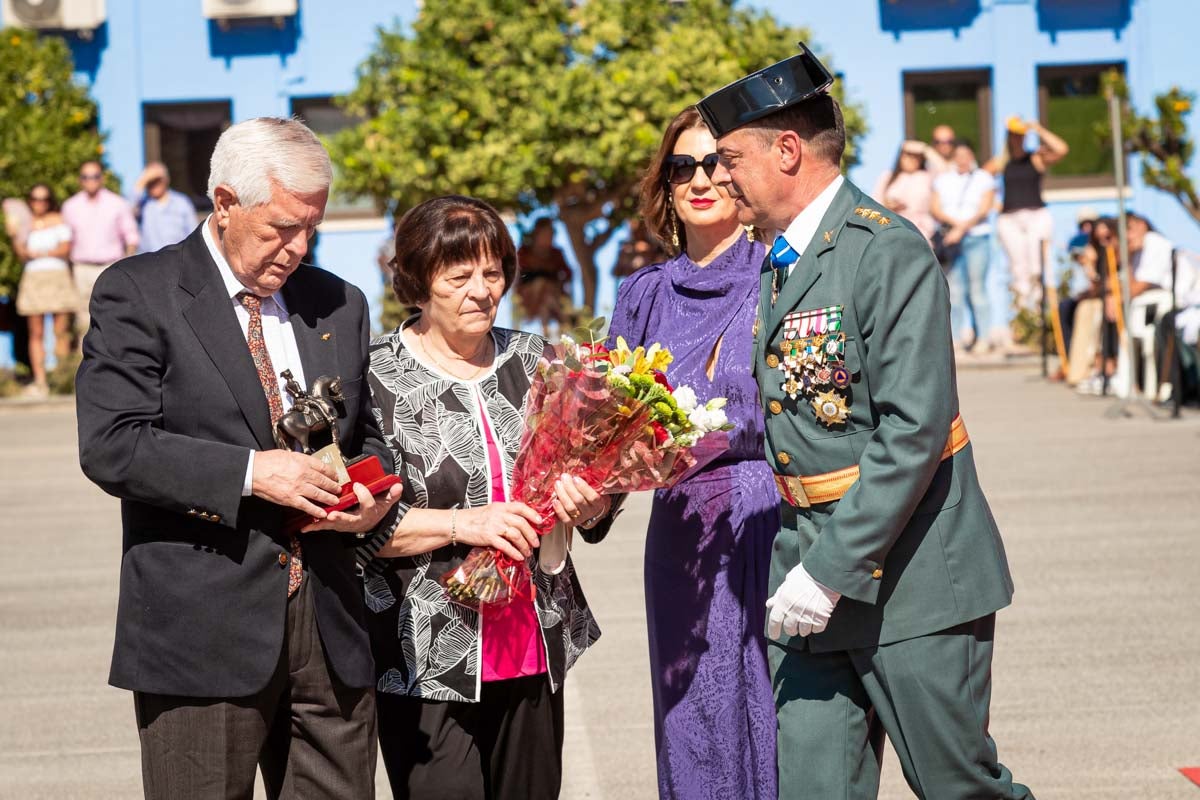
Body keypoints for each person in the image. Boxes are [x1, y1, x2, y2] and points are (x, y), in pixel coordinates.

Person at [698, 46, 1032, 799]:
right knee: (816, 787)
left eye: (728, 159)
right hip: (809, 572)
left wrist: (829, 567)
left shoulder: (884, 250)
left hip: (911, 577)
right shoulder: (781, 258)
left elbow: (914, 430)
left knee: (957, 785)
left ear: (787, 151)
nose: (720, 179)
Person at [76, 117, 403, 800]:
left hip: (332, 627)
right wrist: (254, 473)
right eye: (282, 227)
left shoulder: (338, 301)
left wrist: (366, 500)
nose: (299, 246)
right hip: (202, 632)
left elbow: (366, 432)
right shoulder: (138, 293)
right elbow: (114, 445)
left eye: (312, 226)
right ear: (225, 203)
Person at [356, 195, 615, 800]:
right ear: (418, 283)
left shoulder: (539, 362)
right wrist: (465, 524)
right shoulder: (374, 378)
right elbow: (363, 526)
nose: (481, 290)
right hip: (424, 654)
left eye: (493, 272)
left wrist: (591, 502)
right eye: (459, 276)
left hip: (531, 640)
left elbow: (596, 490)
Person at [607, 106, 778, 800]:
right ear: (666, 185)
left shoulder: (782, 275)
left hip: (772, 515)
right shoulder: (643, 294)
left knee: (772, 704)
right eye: (683, 166)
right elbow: (609, 425)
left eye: (716, 163)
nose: (700, 178)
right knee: (692, 716)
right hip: (681, 531)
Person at [986, 116, 1069, 314]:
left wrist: (1038, 129)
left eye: (1021, 135)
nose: (1017, 139)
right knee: (1018, 268)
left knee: (1037, 265)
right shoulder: (1001, 162)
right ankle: (1023, 314)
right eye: (1014, 135)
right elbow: (980, 181)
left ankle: (1042, 311)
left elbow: (1061, 149)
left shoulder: (1036, 158)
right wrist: (993, 204)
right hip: (1009, 218)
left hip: (1036, 215)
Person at [61, 160, 139, 342]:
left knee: (115, 312)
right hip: (82, 267)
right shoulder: (70, 206)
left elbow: (131, 236)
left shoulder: (117, 203)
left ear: (102, 178)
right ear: (80, 180)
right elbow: (66, 240)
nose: (91, 181)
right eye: (86, 177)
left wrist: (126, 266)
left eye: (95, 176)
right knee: (83, 316)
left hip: (111, 265)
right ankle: (85, 363)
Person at [931, 139, 997, 351]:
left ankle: (983, 337)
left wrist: (962, 228)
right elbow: (936, 208)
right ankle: (956, 339)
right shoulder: (943, 180)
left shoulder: (983, 178)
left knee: (977, 289)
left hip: (977, 237)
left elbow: (985, 208)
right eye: (958, 156)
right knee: (955, 291)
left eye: (966, 155)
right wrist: (955, 226)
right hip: (951, 241)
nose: (962, 160)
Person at [13, 184, 76, 397]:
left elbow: (66, 248)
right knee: (36, 332)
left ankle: (62, 378)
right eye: (35, 198)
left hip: (56, 276)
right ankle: (41, 381)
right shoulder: (25, 223)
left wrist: (42, 252)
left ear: (50, 200)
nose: (39, 203)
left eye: (44, 199)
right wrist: (17, 240)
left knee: (60, 331)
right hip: (33, 278)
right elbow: (22, 253)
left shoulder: (59, 220)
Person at [514, 217, 572, 335]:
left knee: (547, 301)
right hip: (530, 297)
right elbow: (516, 274)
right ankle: (561, 322)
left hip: (553, 296)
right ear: (536, 234)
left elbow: (568, 274)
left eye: (551, 234)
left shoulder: (556, 254)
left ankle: (554, 333)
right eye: (545, 234)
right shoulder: (524, 252)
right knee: (541, 284)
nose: (548, 238)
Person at [872, 140, 935, 242]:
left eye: (916, 156)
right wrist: (888, 206)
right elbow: (874, 203)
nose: (911, 160)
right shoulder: (888, 176)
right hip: (892, 231)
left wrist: (924, 148)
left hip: (921, 232)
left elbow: (945, 169)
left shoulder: (927, 176)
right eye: (908, 155)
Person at [131, 162, 198, 253]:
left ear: (166, 180)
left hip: (177, 260)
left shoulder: (182, 203)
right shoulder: (142, 204)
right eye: (150, 181)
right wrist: (141, 181)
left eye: (157, 180)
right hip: (149, 262)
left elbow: (194, 234)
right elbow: (126, 212)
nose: (153, 184)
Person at [612, 218, 665, 287]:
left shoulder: (656, 247)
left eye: (640, 228)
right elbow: (616, 272)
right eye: (633, 229)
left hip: (652, 285)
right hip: (634, 287)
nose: (637, 232)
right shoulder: (626, 249)